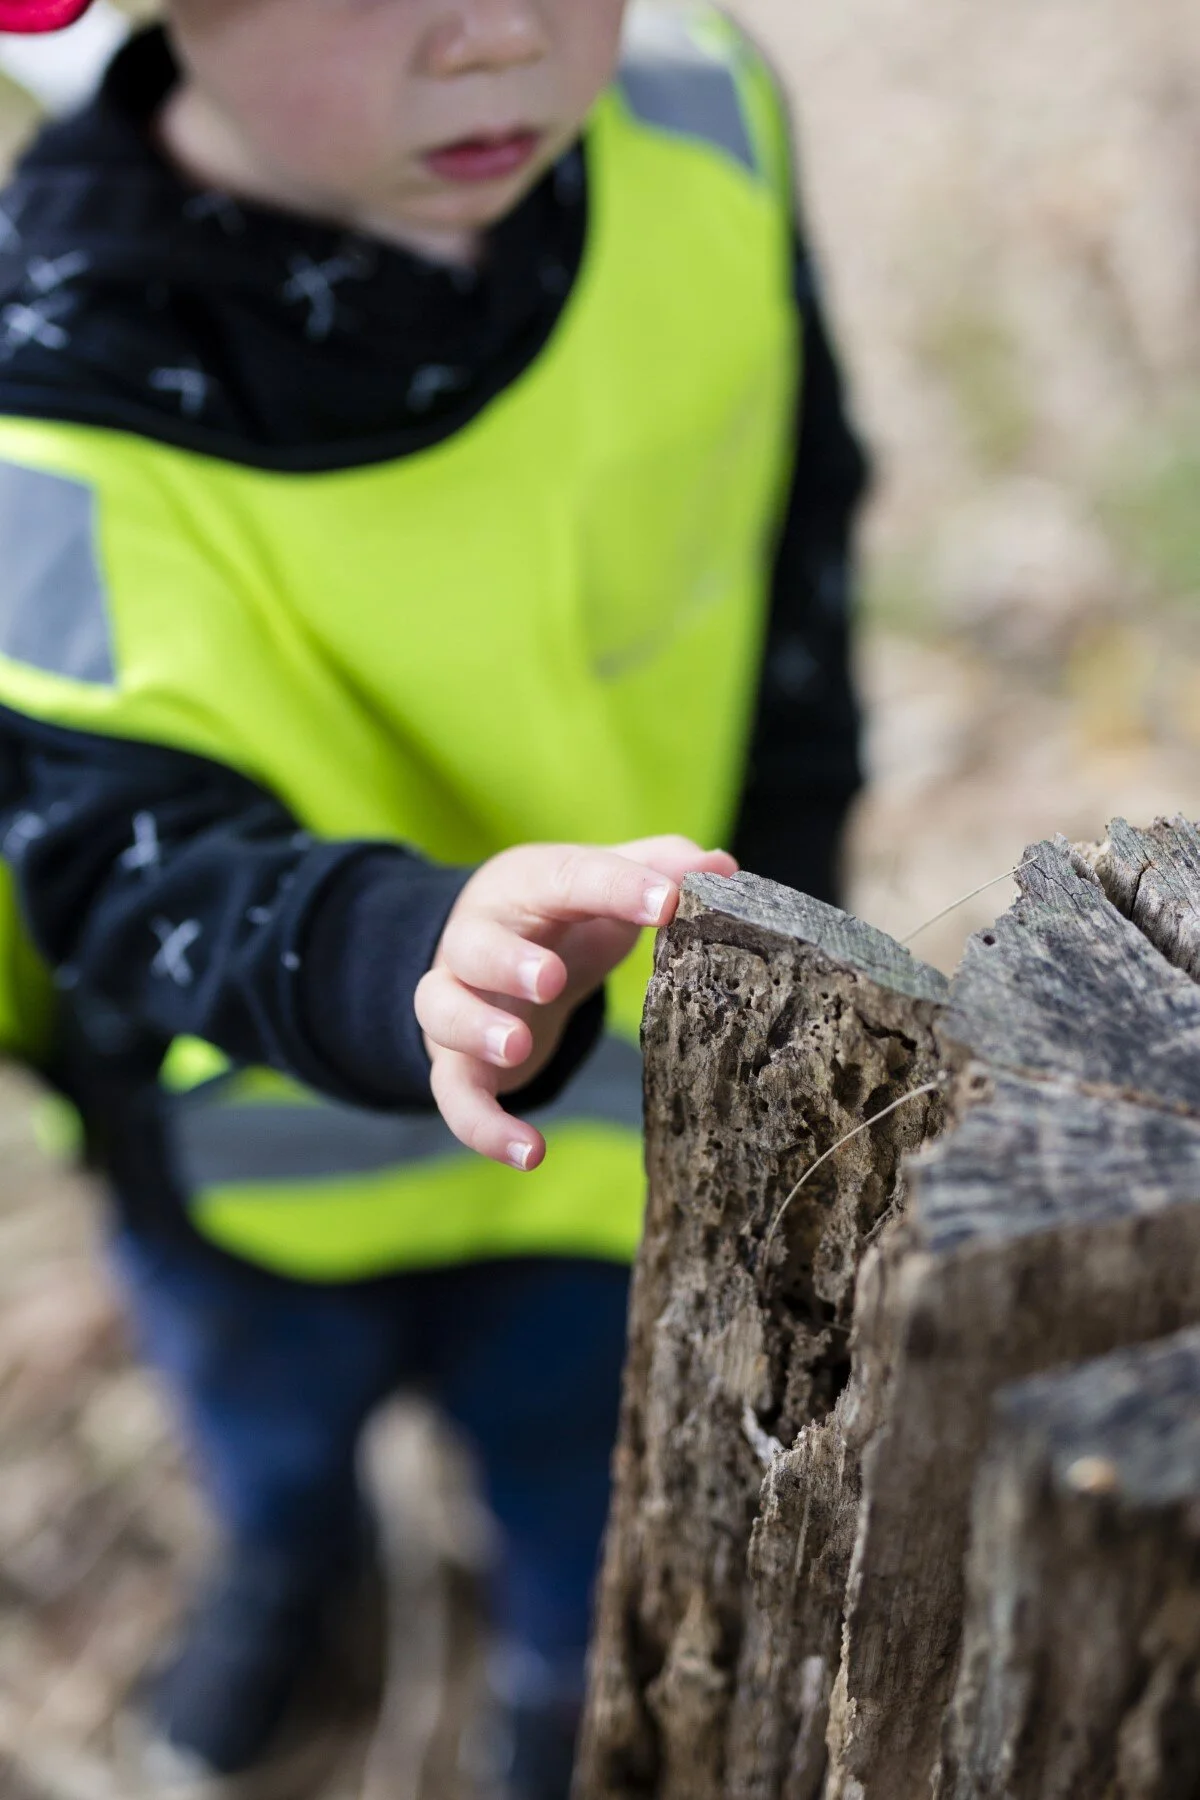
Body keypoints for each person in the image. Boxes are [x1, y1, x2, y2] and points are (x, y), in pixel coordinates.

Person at [0, 0, 867, 1793]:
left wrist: (799, 880)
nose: (494, 38)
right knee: (271, 1426)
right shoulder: (54, 376)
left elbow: (793, 517)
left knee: (593, 1450)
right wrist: (406, 955)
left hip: (624, 1113)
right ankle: (291, 1568)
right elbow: (99, 837)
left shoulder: (696, 120)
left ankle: (569, 1676)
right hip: (252, 1158)